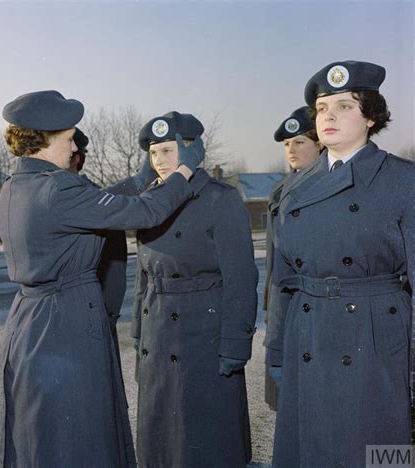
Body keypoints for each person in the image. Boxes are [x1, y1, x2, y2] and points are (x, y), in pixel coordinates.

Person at [0, 91, 205, 467]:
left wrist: (143, 176)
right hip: (65, 323)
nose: (75, 145)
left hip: (32, 322)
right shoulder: (58, 188)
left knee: (44, 432)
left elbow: (97, 206)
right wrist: (184, 172)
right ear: (44, 140)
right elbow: (145, 212)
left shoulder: (19, 184)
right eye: (68, 138)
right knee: (80, 433)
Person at [266, 61, 414, 467]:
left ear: (370, 116)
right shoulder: (295, 186)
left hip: (376, 337)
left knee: (381, 454)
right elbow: (284, 280)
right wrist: (277, 350)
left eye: (345, 106)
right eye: (322, 107)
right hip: (309, 332)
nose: (328, 115)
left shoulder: (403, 180)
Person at [131, 111, 258, 467]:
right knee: (162, 446)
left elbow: (241, 278)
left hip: (204, 337)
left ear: (190, 152)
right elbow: (144, 278)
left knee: (205, 440)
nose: (160, 161)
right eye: (154, 153)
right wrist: (139, 336)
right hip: (157, 339)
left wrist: (235, 345)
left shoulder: (221, 199)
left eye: (168, 151)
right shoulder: (150, 200)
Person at [263, 106, 322, 410]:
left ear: (319, 143)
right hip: (281, 306)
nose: (291, 150)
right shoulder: (280, 191)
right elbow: (274, 263)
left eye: (300, 142)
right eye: (287, 144)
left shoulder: (328, 186)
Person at [69, 128, 128, 354]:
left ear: (75, 158)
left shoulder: (97, 202)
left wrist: (106, 320)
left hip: (94, 321)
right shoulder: (49, 197)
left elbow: (114, 271)